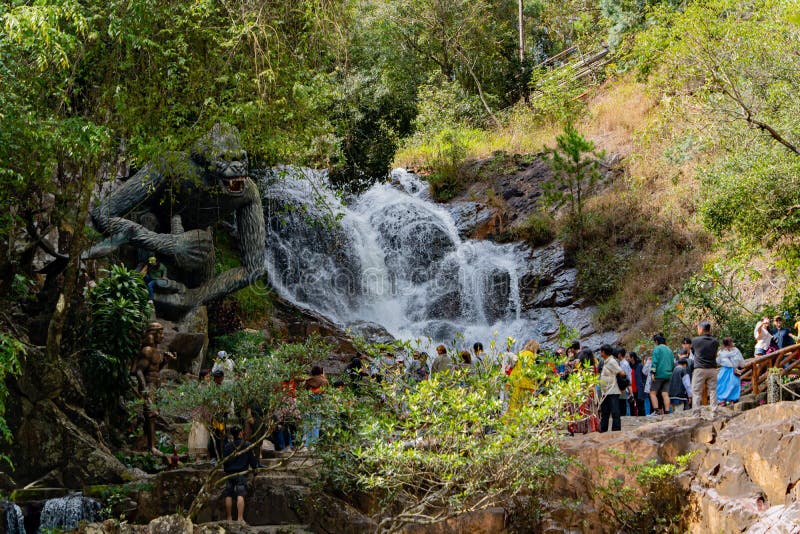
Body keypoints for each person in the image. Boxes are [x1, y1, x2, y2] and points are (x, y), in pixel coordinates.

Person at [222, 426, 259, 523]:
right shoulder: (246, 445)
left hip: (229, 474)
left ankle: (229, 518)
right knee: (240, 494)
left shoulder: (227, 446)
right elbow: (253, 460)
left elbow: (225, 461)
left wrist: (226, 470)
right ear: (240, 433)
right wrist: (255, 470)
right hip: (241, 473)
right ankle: (240, 518)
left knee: (228, 494)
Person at [691, 321, 720, 408]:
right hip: (712, 369)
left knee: (696, 392)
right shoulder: (715, 341)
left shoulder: (695, 340)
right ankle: (714, 412)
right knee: (713, 391)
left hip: (699, 369)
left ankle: (696, 414)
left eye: (698, 329)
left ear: (701, 329)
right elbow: (715, 354)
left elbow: (693, 352)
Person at [649, 333, 674, 415]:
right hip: (668, 374)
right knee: (665, 394)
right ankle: (667, 412)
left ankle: (656, 411)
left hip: (659, 374)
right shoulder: (669, 350)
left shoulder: (657, 349)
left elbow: (654, 362)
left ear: (656, 341)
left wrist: (652, 372)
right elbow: (672, 363)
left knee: (652, 393)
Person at [599, 344, 622, 432]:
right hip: (606, 391)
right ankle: (603, 429)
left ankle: (616, 430)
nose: (600, 353)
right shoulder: (605, 361)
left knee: (615, 411)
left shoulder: (612, 361)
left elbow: (621, 372)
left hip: (612, 390)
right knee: (605, 412)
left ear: (604, 352)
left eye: (601, 351)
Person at [303, 366, 328, 447]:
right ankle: (314, 444)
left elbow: (303, 391)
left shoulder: (308, 380)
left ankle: (307, 443)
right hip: (319, 404)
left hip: (308, 403)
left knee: (307, 424)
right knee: (316, 424)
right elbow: (326, 393)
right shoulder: (324, 381)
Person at [717, 337, 746, 405]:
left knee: (732, 384)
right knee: (724, 385)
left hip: (730, 370)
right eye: (731, 342)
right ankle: (723, 400)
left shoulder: (722, 352)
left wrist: (742, 365)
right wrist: (742, 365)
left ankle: (730, 400)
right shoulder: (723, 352)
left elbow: (717, 362)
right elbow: (741, 360)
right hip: (727, 370)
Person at [616, 348, 632, 416]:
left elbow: (625, 377)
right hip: (625, 386)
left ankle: (627, 417)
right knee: (624, 403)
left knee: (625, 403)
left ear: (619, 354)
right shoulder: (623, 363)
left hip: (625, 386)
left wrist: (624, 387)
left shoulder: (624, 364)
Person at [630, 352, 646, 417]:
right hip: (633, 388)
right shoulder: (631, 366)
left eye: (629, 357)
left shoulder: (639, 366)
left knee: (641, 404)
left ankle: (642, 417)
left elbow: (642, 377)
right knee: (637, 404)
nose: (627, 358)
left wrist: (642, 386)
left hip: (639, 388)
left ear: (632, 358)